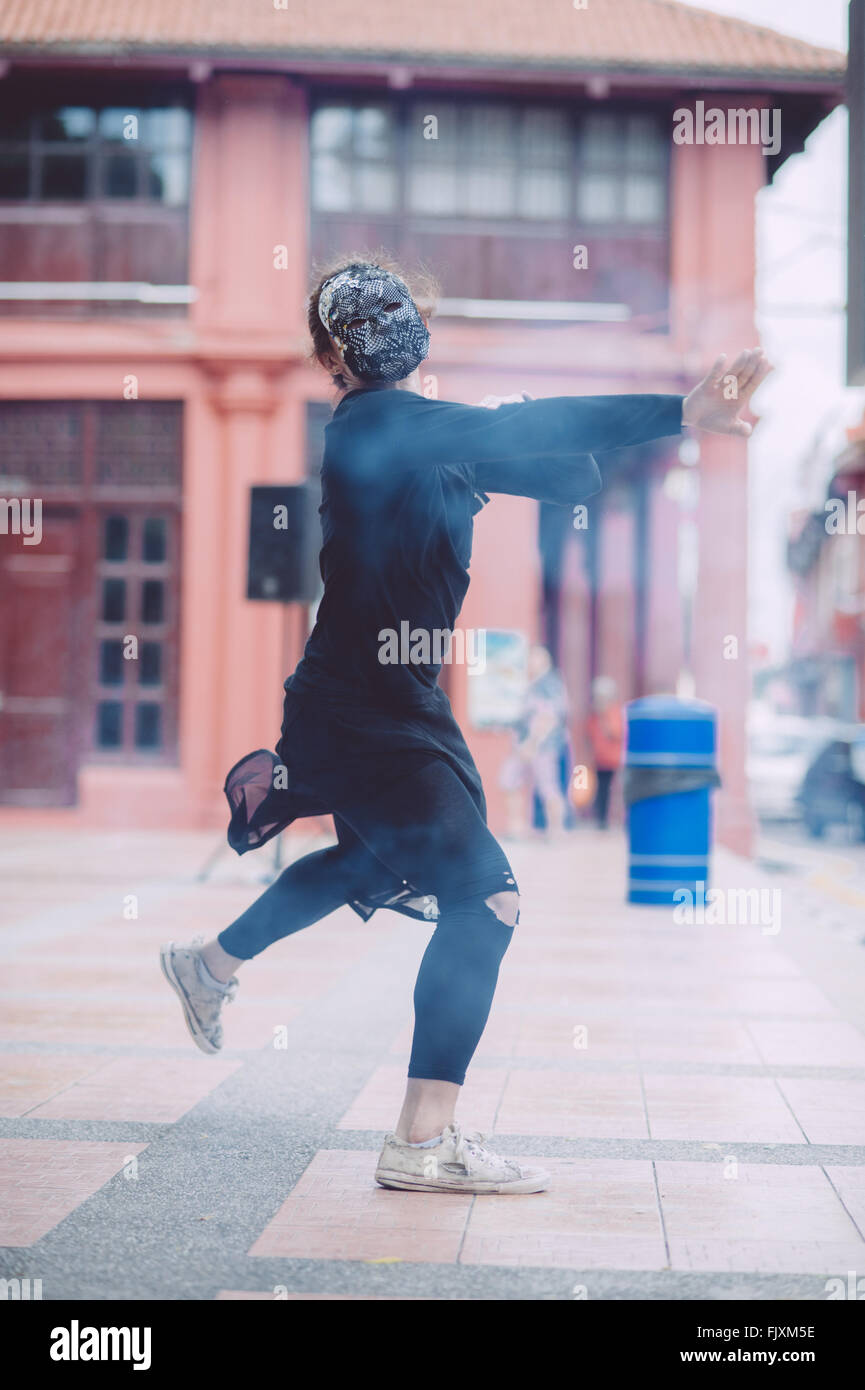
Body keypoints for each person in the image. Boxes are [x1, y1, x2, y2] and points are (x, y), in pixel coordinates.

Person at [160, 253, 771, 1195]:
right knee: (487, 902)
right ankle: (420, 1140)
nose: (388, 323)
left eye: (396, 306)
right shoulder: (379, 424)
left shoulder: (426, 438)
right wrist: (674, 410)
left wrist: (659, 436)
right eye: (364, 317)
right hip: (362, 710)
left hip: (391, 701)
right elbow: (525, 431)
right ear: (337, 351)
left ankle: (208, 965)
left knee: (370, 862)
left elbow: (565, 471)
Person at [501, 645, 571, 839]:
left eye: (535, 658)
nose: (530, 662)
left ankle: (557, 830)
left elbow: (548, 718)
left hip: (542, 745)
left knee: (548, 787)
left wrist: (532, 743)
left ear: (545, 661)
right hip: (522, 745)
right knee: (509, 780)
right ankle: (517, 828)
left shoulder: (548, 684)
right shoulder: (531, 683)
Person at [587, 676, 624, 828]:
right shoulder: (594, 715)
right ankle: (601, 820)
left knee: (615, 792)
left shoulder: (614, 712)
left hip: (614, 760)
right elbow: (589, 734)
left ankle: (617, 819)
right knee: (601, 791)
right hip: (600, 759)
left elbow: (616, 733)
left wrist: (604, 719)